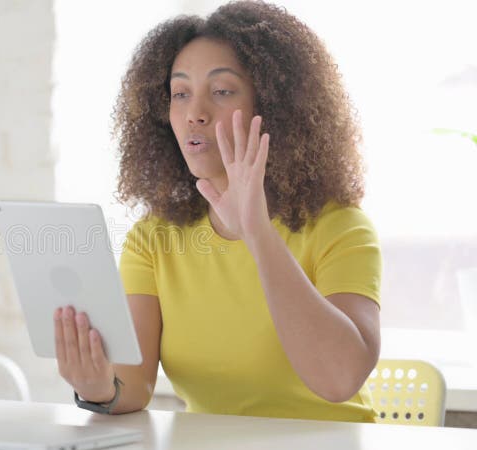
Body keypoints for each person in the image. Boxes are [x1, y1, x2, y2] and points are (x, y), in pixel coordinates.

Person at [53, 0, 382, 423]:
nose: (196, 114)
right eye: (180, 94)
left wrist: (257, 234)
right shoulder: (154, 238)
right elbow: (132, 387)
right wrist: (98, 386)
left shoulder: (340, 227)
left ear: (275, 108)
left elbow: (339, 379)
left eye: (222, 91)